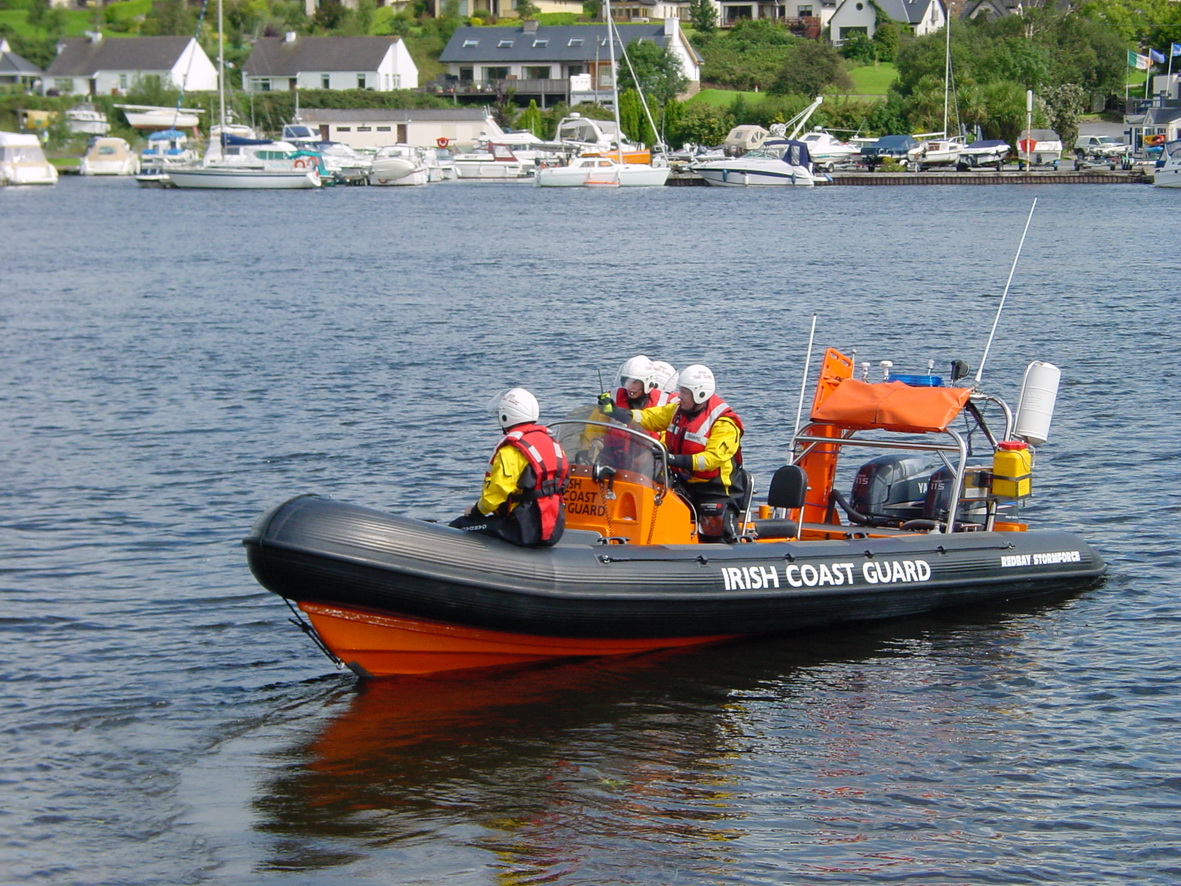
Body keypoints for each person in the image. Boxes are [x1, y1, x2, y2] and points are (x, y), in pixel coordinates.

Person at [598, 364, 745, 543]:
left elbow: (711, 460)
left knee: (715, 533)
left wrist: (672, 459)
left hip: (715, 489)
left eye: (684, 392)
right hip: (683, 483)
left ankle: (727, 550)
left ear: (700, 394)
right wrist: (619, 413)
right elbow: (650, 417)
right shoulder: (677, 410)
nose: (679, 396)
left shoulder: (724, 423)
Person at [450, 387, 569, 547]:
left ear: (506, 416)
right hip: (553, 528)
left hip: (521, 528)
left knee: (459, 526)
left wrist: (475, 512)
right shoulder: (552, 443)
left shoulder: (511, 451)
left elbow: (494, 497)